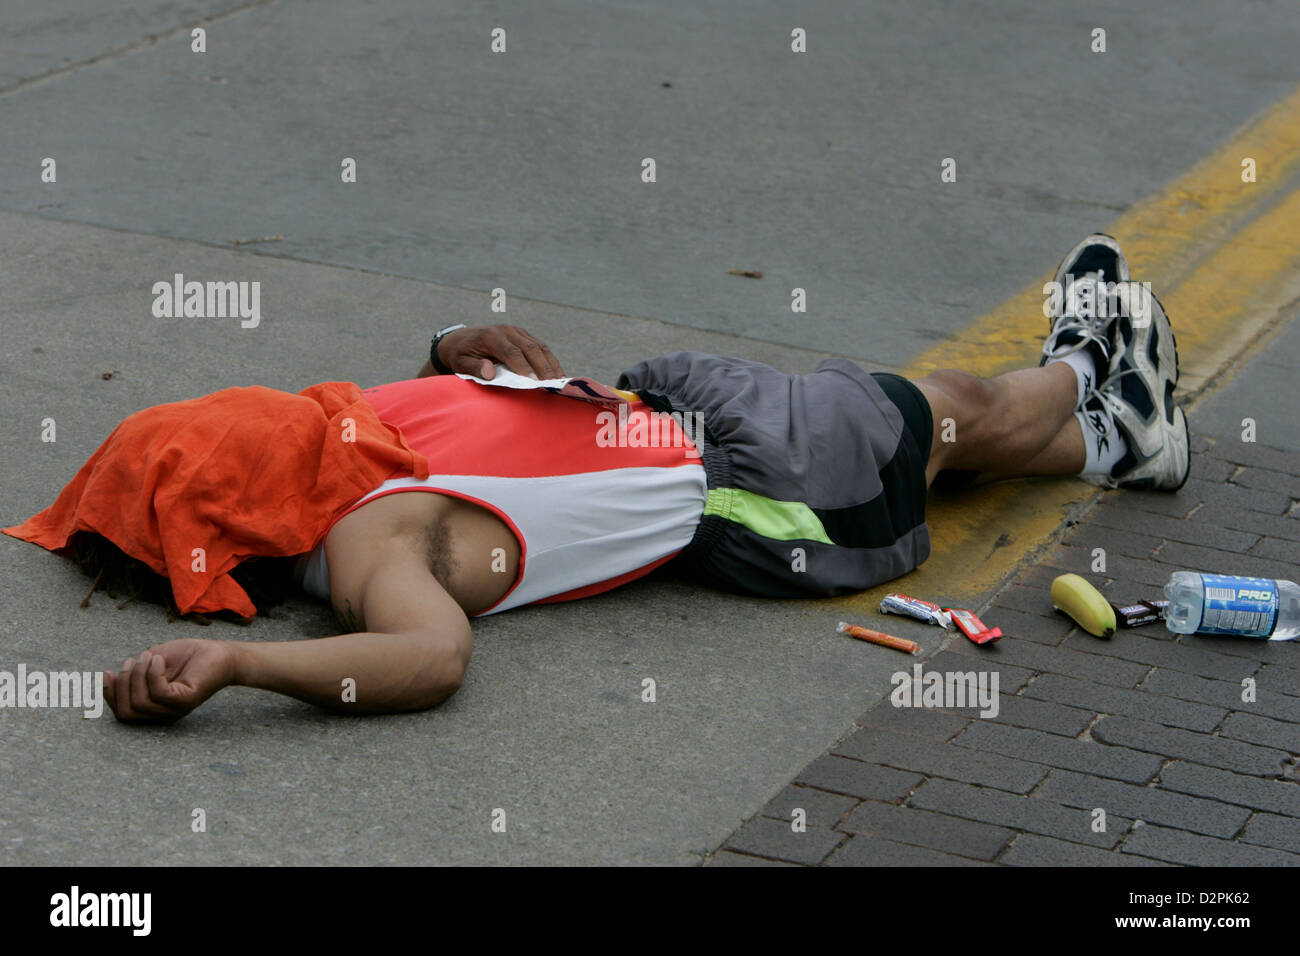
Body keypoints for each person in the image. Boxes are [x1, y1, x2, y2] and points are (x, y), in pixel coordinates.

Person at [3, 235, 1187, 723]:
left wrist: (444, 351)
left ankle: (1120, 436)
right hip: (753, 485)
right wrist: (239, 663)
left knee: (942, 435)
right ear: (239, 504)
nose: (247, 410)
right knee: (943, 415)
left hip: (684, 407)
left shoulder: (344, 441)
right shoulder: (365, 539)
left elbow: (458, 416)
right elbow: (430, 654)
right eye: (224, 440)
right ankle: (1091, 359)